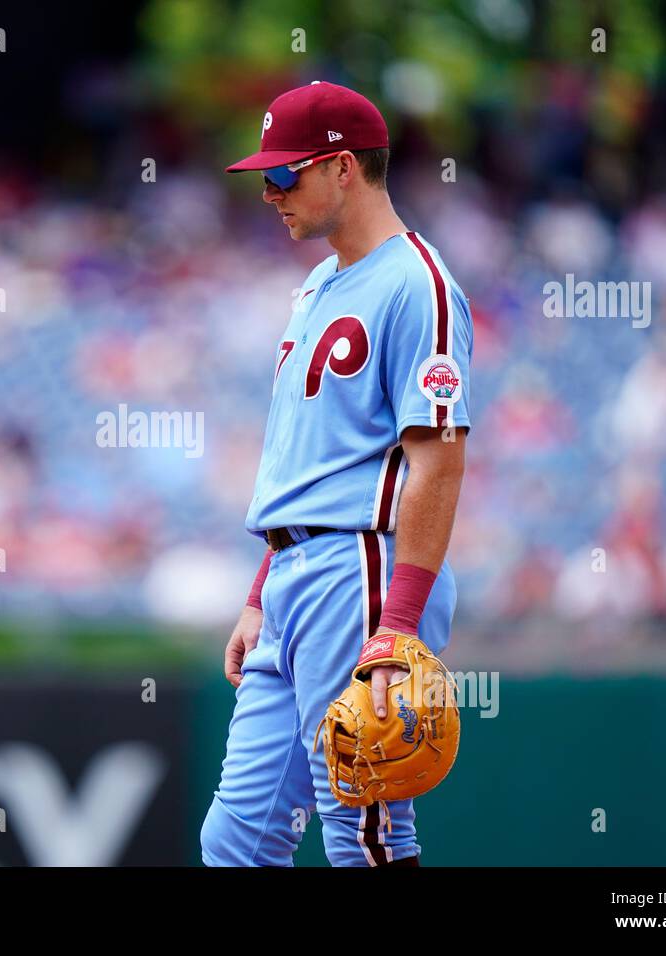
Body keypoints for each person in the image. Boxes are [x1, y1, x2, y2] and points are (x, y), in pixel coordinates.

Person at [200, 81, 473, 866]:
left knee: (365, 836)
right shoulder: (319, 283)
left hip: (361, 571)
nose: (269, 192)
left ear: (343, 168)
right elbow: (307, 461)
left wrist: (396, 625)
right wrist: (262, 588)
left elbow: (438, 464)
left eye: (285, 174)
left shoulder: (417, 285)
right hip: (296, 574)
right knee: (237, 841)